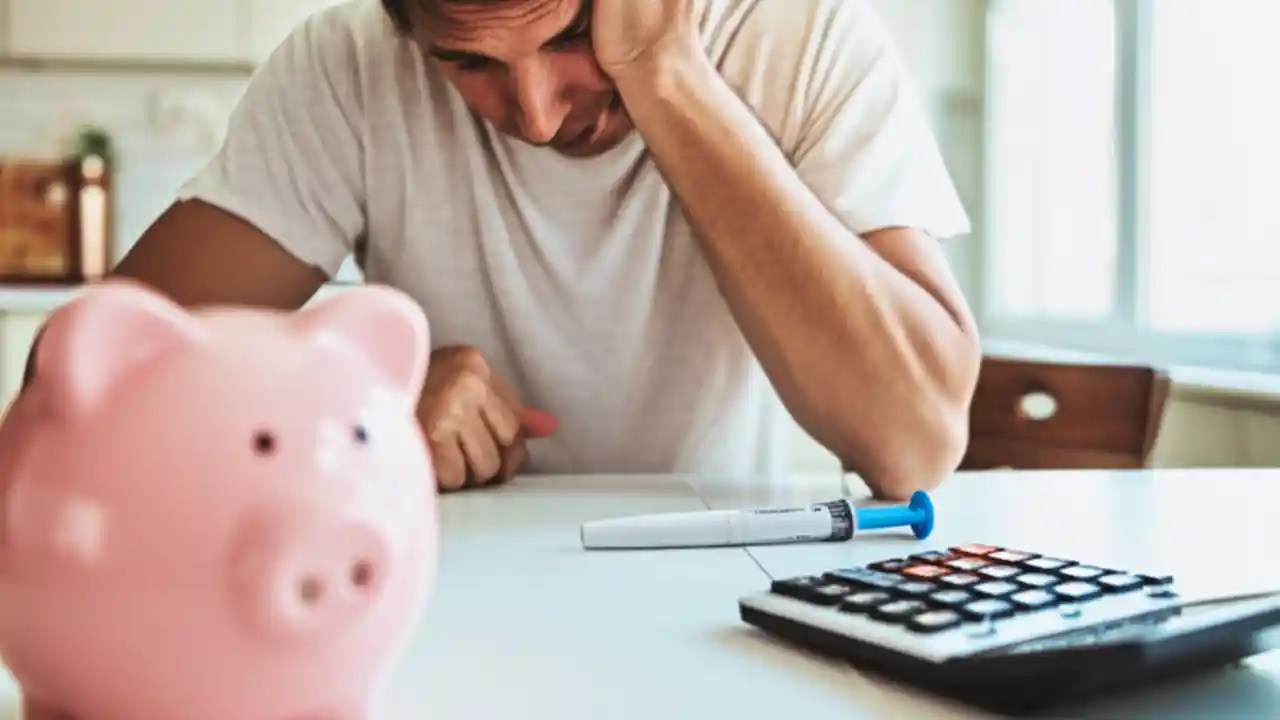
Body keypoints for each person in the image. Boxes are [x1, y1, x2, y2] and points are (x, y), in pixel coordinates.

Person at [69, 0, 982, 497]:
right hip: (434, 582)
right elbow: (81, 396)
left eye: (576, 34)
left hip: (718, 588)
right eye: (468, 64)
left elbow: (915, 445)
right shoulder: (346, 67)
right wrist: (352, 402)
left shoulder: (805, 35)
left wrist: (667, 74)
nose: (539, 117)